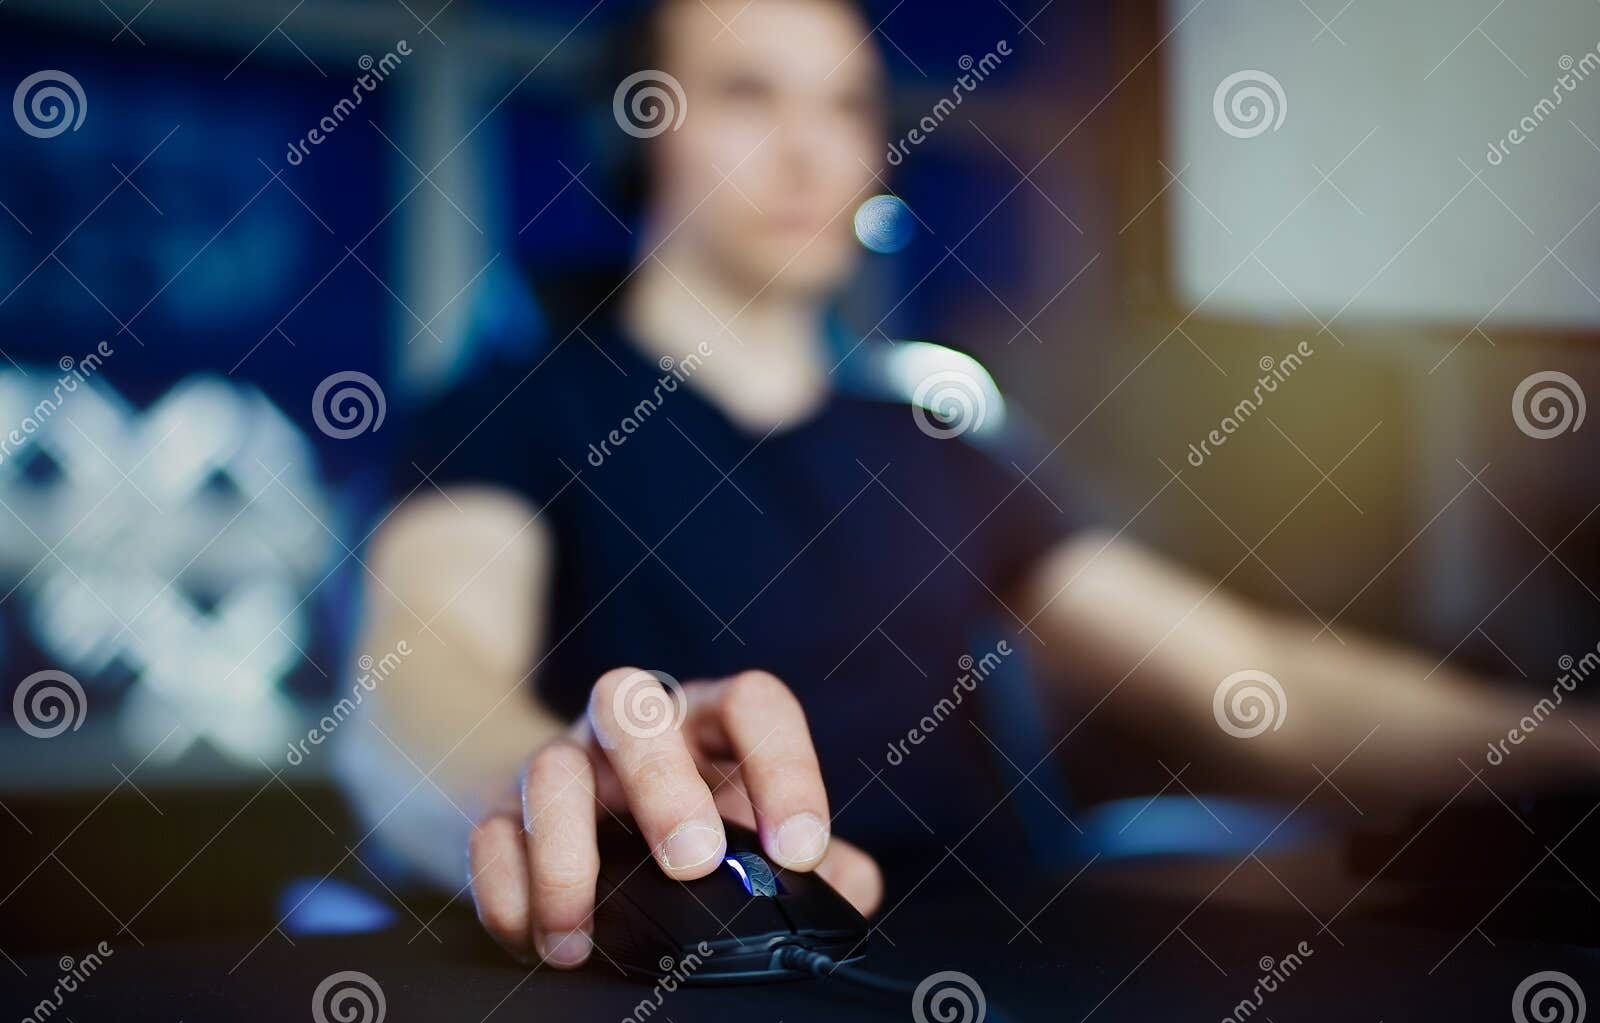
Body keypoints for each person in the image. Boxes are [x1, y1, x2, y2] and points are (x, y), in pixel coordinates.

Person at [337, 0, 1599, 969]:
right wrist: (541, 787)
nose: (809, 149)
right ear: (638, 128)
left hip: (982, 968)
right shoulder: (515, 411)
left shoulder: (935, 445)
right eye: (746, 94)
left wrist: (1569, 743)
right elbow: (417, 680)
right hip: (702, 978)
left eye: (844, 105)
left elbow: (1249, 681)